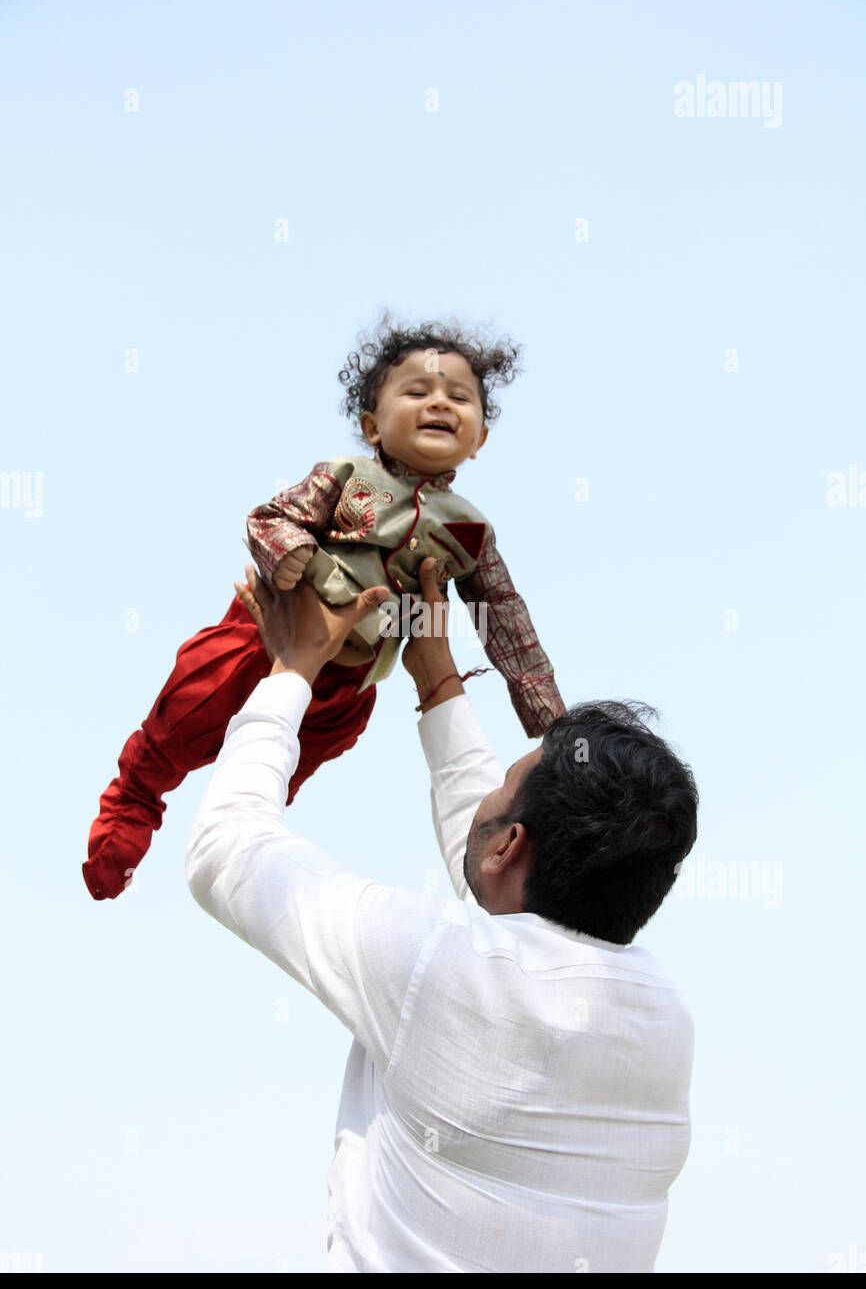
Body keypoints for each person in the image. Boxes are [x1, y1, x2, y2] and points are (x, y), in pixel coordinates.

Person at [185, 554, 699, 1274]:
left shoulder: (434, 964)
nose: (489, 791)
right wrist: (437, 679)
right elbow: (497, 879)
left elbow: (225, 847)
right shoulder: (663, 1022)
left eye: (506, 783)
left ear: (510, 845)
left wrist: (293, 665)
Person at [83, 313, 565, 900]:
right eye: (417, 391)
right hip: (265, 640)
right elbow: (270, 517)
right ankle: (135, 800)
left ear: (481, 434)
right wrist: (288, 553)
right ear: (372, 425)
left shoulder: (472, 531)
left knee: (285, 765)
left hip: (349, 681)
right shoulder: (345, 476)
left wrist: (554, 727)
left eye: (459, 397)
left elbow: (509, 625)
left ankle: (236, 826)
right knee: (187, 714)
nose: (439, 402)